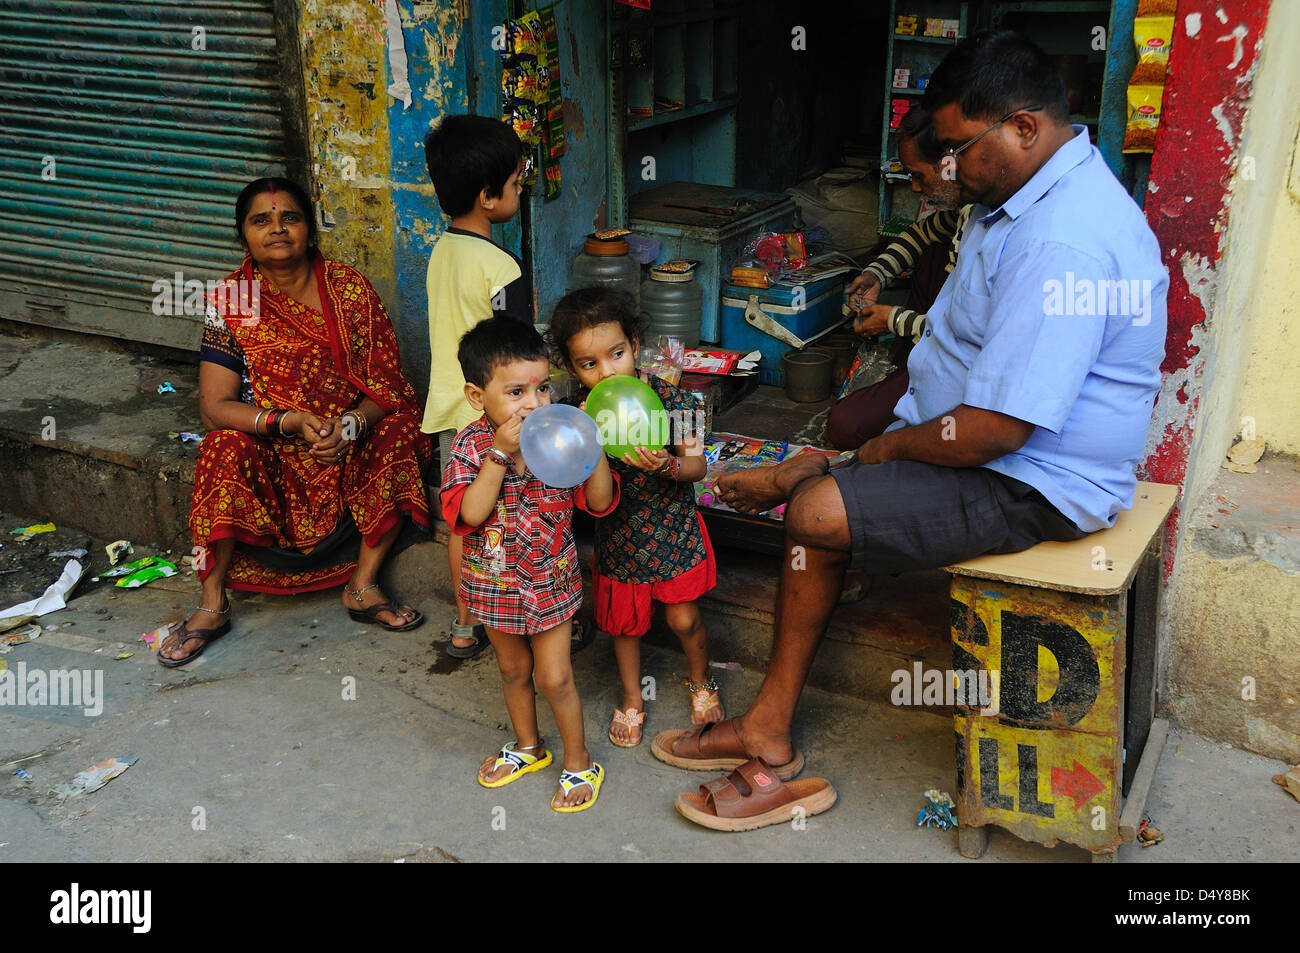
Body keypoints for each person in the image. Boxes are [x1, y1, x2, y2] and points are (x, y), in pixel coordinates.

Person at [651, 30, 1169, 830]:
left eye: (961, 148)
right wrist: (871, 445)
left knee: (816, 513)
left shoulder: (1061, 238)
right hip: (995, 448)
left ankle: (771, 735)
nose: (952, 167)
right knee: (823, 476)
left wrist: (880, 451)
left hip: (1039, 481)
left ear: (1024, 128)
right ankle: (767, 715)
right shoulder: (1022, 198)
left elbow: (998, 428)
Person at [163, 178, 432, 667]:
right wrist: (288, 421)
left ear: (309, 229)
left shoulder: (348, 288)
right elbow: (215, 406)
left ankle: (363, 584)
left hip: (348, 440)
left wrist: (350, 426)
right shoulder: (231, 300)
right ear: (243, 235)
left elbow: (391, 388)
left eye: (290, 217)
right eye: (260, 220)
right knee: (221, 445)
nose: (277, 229)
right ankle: (211, 603)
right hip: (276, 442)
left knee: (402, 429)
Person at [440, 317, 617, 812]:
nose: (534, 403)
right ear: (478, 397)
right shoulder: (471, 448)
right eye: (516, 391)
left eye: (541, 388)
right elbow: (470, 514)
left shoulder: (558, 438)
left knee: (554, 678)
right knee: (513, 669)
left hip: (551, 583)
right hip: (493, 585)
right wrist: (501, 453)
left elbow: (600, 503)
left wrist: (591, 448)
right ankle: (528, 748)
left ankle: (580, 761)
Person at [546, 287, 721, 750]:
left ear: (636, 348)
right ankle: (631, 696)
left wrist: (667, 465)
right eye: (589, 363)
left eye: (617, 354)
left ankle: (702, 681)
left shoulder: (676, 401)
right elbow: (596, 501)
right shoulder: (577, 418)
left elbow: (698, 468)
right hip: (620, 536)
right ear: (571, 368)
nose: (607, 372)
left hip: (671, 529)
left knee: (684, 620)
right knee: (625, 627)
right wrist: (591, 442)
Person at [420, 115, 533, 660]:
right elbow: (517, 356)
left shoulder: (442, 251)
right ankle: (525, 610)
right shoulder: (500, 265)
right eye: (514, 185)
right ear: (489, 197)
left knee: (464, 521)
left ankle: (466, 623)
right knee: (512, 517)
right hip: (493, 419)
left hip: (450, 408)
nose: (519, 191)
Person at [829, 106, 973, 450]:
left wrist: (893, 320)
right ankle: (906, 373)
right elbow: (921, 233)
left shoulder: (985, 224)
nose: (915, 187)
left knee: (844, 426)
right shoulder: (962, 212)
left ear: (949, 164)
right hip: (937, 348)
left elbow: (967, 338)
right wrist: (877, 273)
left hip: (962, 370)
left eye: (919, 176)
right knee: (933, 251)